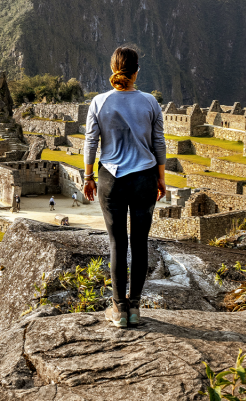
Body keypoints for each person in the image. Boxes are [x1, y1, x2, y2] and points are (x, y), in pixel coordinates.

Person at [83, 46, 166, 329]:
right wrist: (161, 177)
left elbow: (91, 142)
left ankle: (118, 309)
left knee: (118, 243)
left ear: (113, 68)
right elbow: (159, 142)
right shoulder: (150, 102)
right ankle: (135, 308)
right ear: (136, 71)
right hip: (144, 177)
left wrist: (87, 177)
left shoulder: (100, 102)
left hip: (111, 179)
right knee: (140, 242)